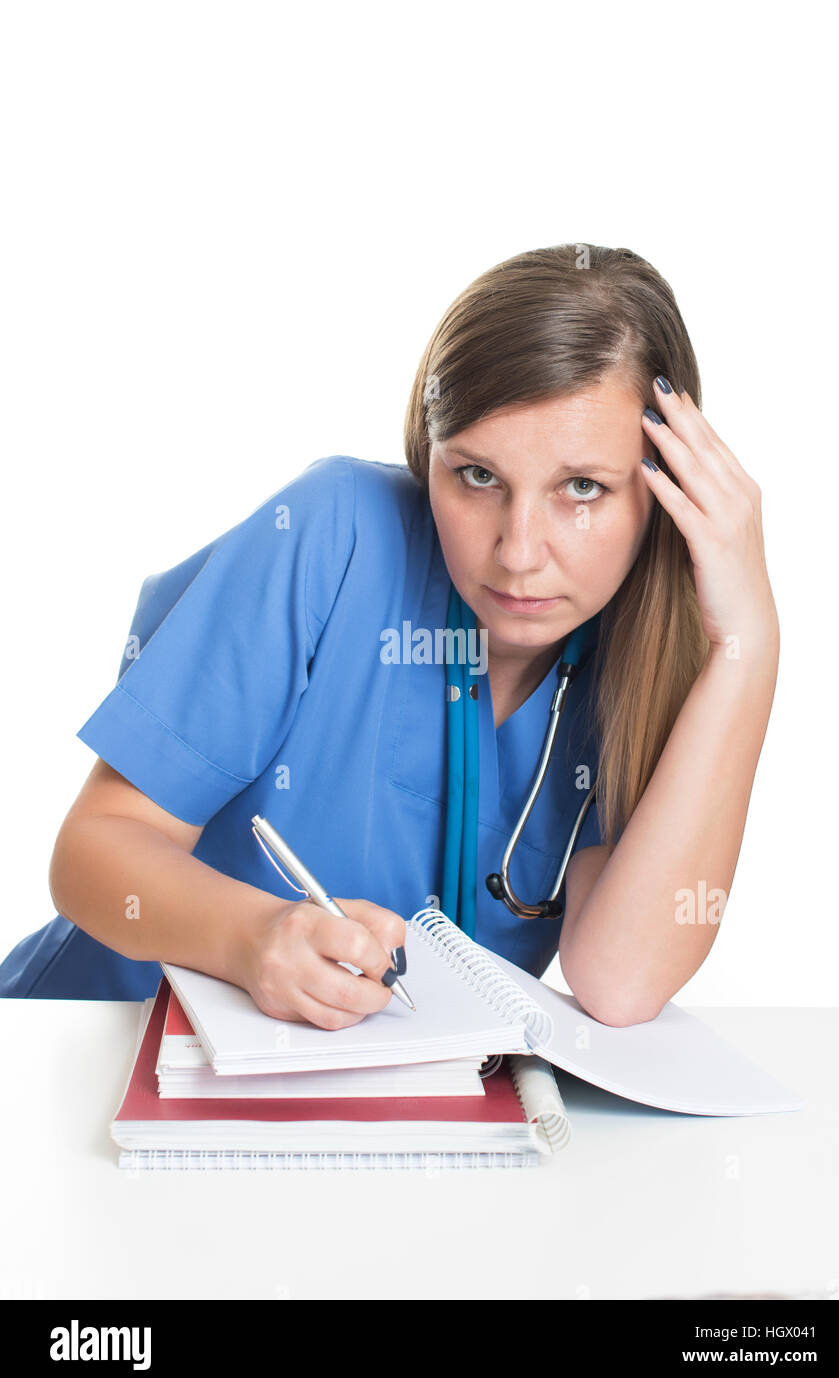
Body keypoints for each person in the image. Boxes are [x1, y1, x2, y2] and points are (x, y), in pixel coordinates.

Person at [0, 243, 780, 1029]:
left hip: (371, 1121)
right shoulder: (329, 534)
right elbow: (93, 852)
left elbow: (620, 982)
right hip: (86, 1063)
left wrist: (747, 645)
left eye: (581, 488)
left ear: (667, 489)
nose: (517, 552)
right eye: (477, 476)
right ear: (426, 454)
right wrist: (252, 938)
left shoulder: (644, 667)